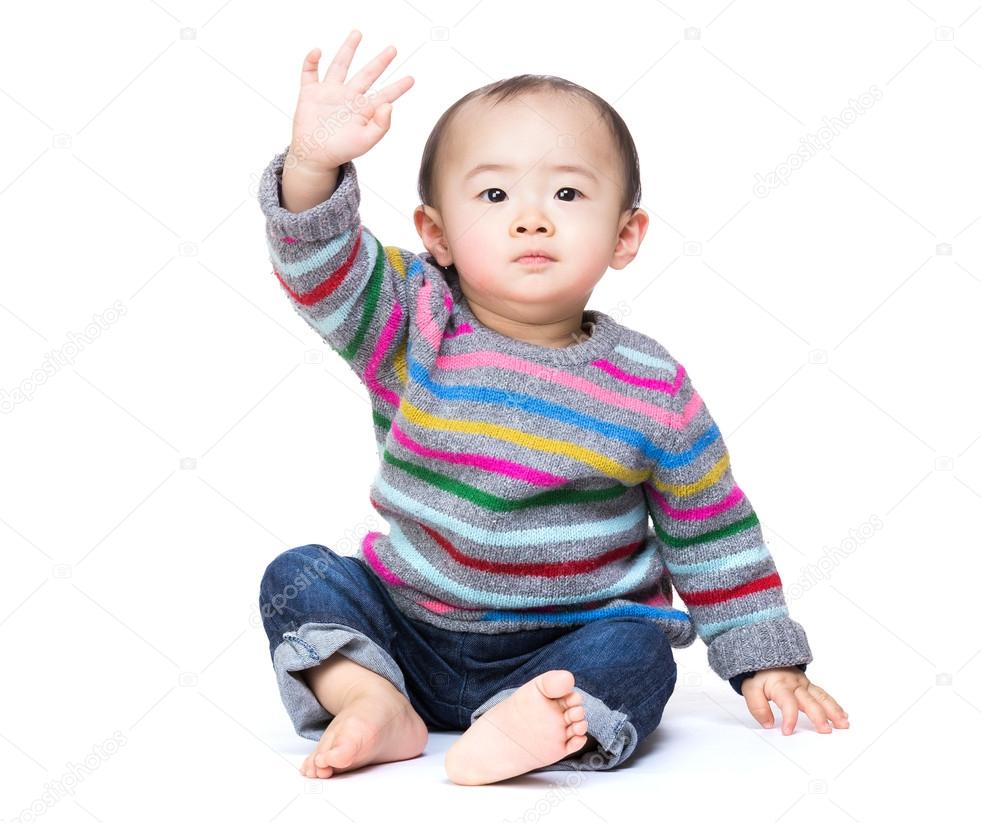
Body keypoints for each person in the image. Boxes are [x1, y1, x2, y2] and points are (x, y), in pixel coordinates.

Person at [257, 29, 849, 785]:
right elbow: (321, 264)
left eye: (567, 194)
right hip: (409, 625)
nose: (531, 218)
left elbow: (710, 530)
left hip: (566, 642)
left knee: (637, 651)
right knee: (299, 577)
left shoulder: (650, 383)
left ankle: (528, 720)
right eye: (494, 195)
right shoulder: (412, 319)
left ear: (625, 235)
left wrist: (765, 655)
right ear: (435, 233)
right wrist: (313, 165)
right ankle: (372, 699)